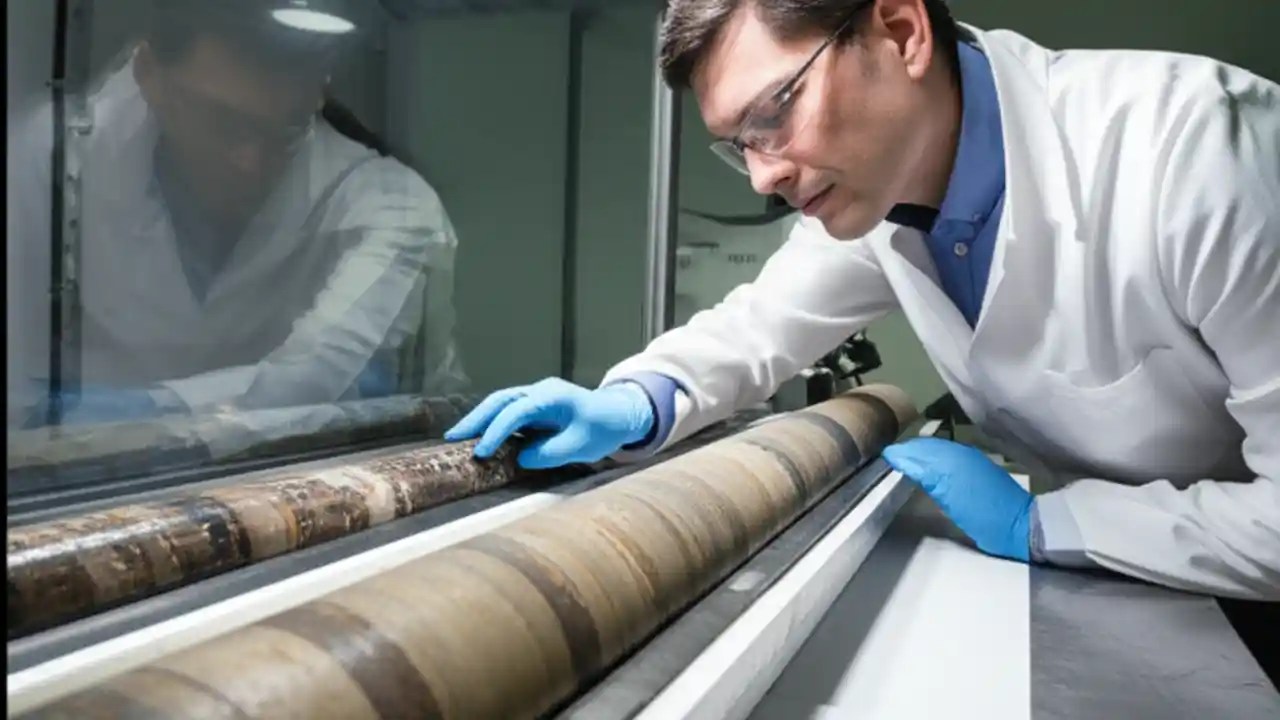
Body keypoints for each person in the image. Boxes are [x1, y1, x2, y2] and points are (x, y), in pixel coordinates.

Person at [447, 0, 1280, 607]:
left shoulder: (1194, 151)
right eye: (740, 145)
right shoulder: (883, 202)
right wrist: (638, 400)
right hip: (1127, 597)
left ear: (902, 30)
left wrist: (1047, 525)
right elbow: (759, 325)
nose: (765, 175)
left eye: (776, 112)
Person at [9, 0, 467, 429]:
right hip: (88, 483)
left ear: (318, 95)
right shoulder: (51, 159)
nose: (249, 161)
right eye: (223, 123)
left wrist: (140, 410)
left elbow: (316, 379)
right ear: (149, 75)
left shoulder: (390, 204)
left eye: (285, 130)